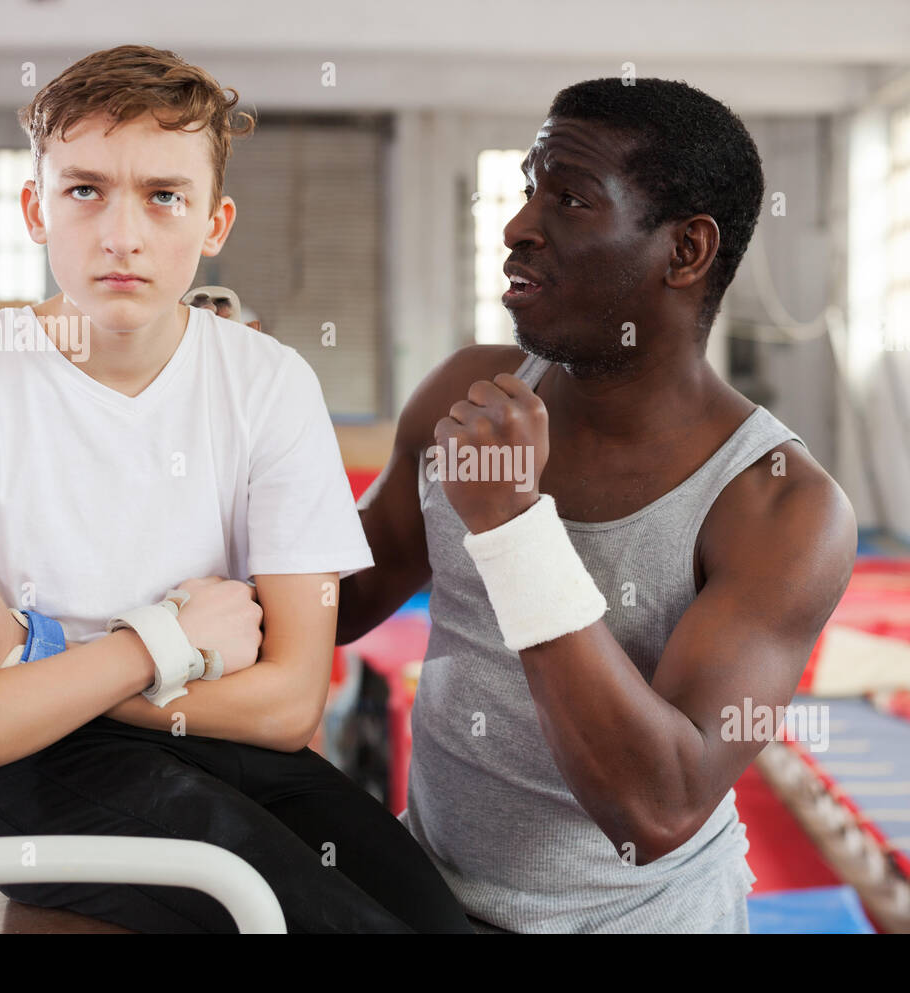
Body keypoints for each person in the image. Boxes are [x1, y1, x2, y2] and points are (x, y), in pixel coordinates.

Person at [0, 44, 472, 934]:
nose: (123, 235)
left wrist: (28, 654)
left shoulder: (267, 382)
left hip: (230, 750)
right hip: (43, 764)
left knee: (438, 924)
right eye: (86, 190)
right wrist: (160, 641)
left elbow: (288, 706)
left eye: (164, 197)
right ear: (35, 209)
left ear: (215, 223)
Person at [336, 78, 857, 932]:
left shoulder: (781, 510)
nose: (517, 230)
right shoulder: (469, 391)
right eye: (527, 192)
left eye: (569, 200)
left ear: (685, 252)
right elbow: (341, 602)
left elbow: (658, 807)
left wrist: (513, 531)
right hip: (429, 896)